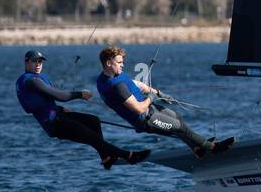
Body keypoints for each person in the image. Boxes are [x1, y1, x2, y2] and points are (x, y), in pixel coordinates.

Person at [15, 49, 150, 170]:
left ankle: (106, 157)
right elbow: (59, 95)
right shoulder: (31, 81)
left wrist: (60, 108)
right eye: (34, 61)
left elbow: (44, 102)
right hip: (54, 123)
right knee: (92, 138)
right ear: (26, 63)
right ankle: (130, 156)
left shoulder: (36, 78)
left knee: (93, 121)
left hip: (59, 115)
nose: (38, 64)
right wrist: (80, 94)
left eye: (40, 61)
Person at [95, 45, 232, 157]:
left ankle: (197, 149)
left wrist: (159, 93)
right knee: (179, 127)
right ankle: (213, 147)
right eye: (119, 62)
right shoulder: (115, 86)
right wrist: (151, 98)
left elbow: (137, 84)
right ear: (108, 63)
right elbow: (139, 109)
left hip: (150, 108)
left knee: (176, 117)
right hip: (145, 119)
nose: (122, 65)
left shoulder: (107, 77)